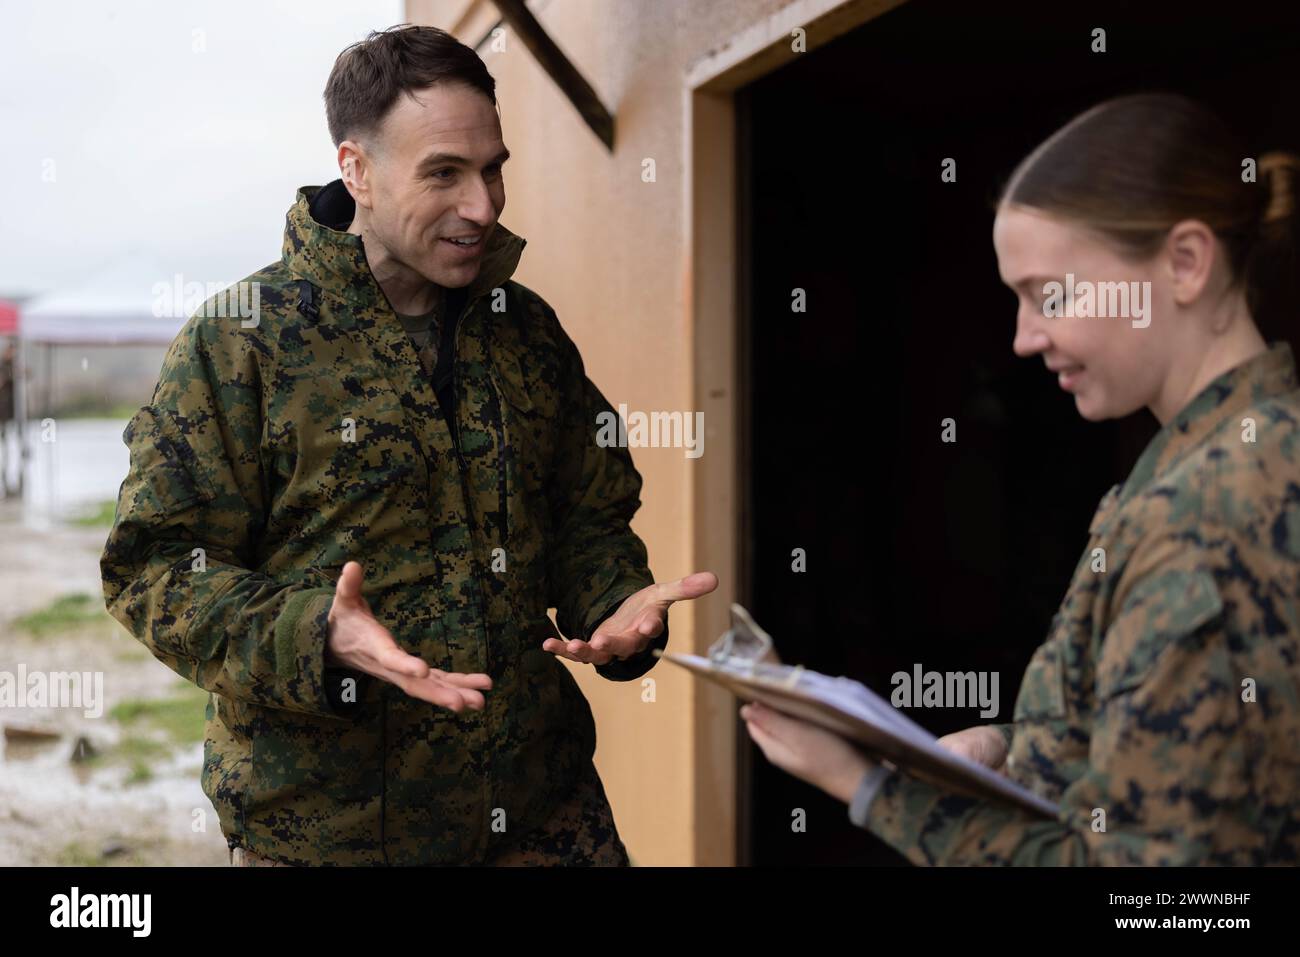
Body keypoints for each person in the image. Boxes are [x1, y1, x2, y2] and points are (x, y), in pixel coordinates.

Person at [100, 24, 717, 866]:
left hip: (546, 818)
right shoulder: (240, 344)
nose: (485, 205)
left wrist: (613, 602)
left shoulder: (524, 329)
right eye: (444, 174)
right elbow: (155, 569)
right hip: (332, 839)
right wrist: (317, 632)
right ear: (356, 170)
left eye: (494, 167)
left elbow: (587, 514)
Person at [744, 92, 1300, 865]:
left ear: (1184, 263)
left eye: (1052, 294)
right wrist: (1015, 748)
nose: (1024, 337)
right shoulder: (1235, 454)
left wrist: (868, 785)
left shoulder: (1204, 508)